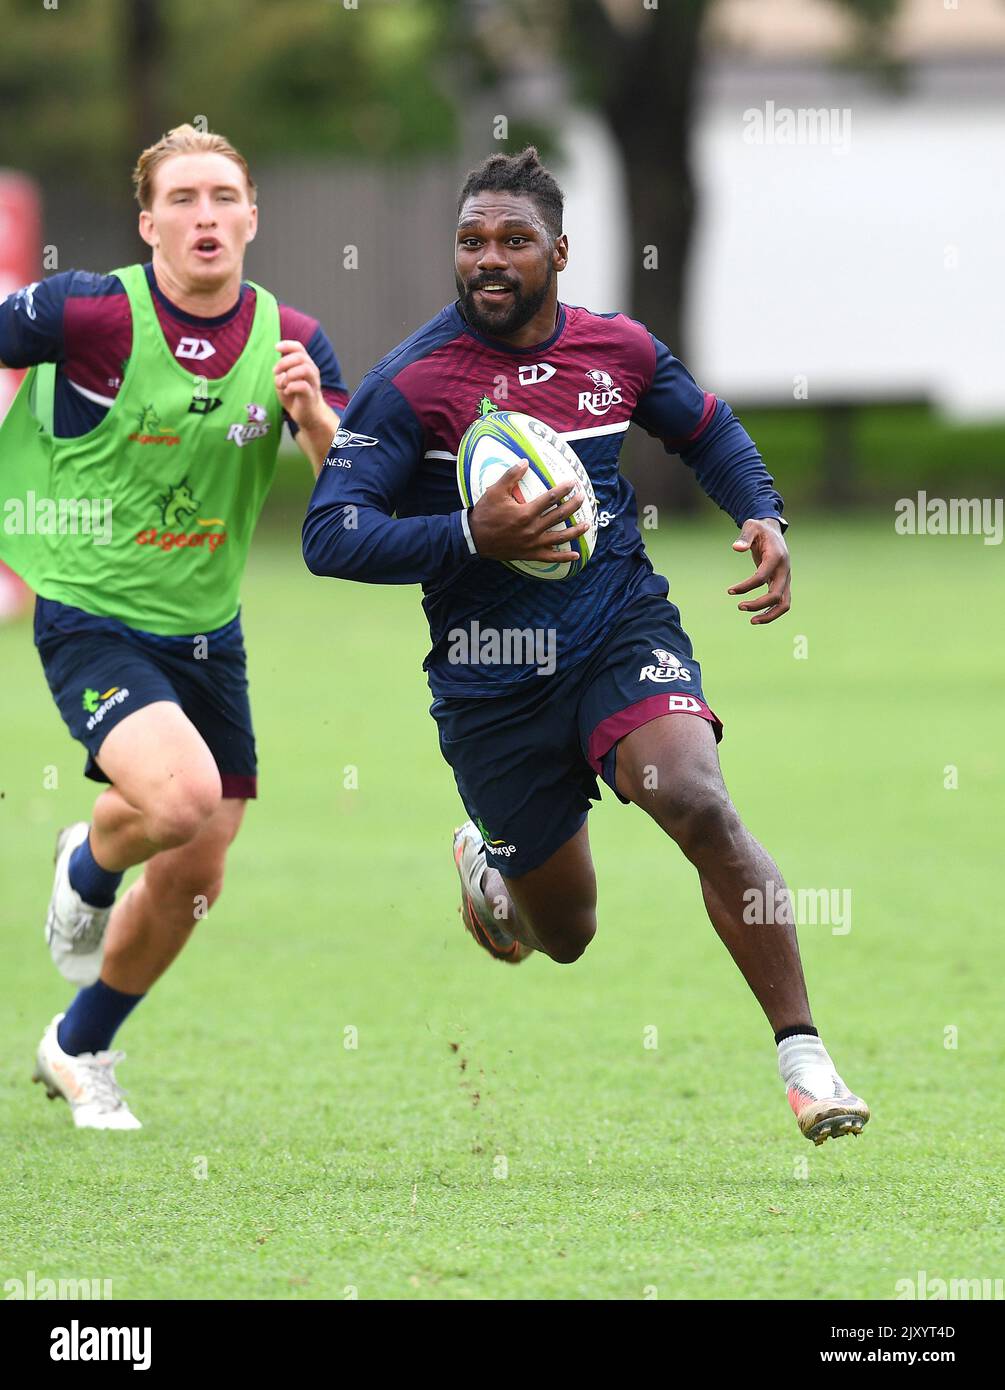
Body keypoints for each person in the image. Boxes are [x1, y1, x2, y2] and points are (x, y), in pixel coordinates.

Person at [302, 147, 869, 1146]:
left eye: (513, 240)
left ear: (559, 251)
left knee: (696, 798)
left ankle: (805, 1060)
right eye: (471, 240)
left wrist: (762, 512)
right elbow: (330, 532)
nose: (488, 258)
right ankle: (494, 872)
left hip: (618, 630)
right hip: (491, 681)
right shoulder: (412, 382)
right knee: (563, 934)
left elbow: (708, 428)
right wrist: (476, 533)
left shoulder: (619, 351)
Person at [0, 125, 348, 1129]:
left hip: (207, 631)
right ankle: (90, 865)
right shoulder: (92, 311)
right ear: (148, 221)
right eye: (183, 199)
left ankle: (79, 1042)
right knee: (184, 797)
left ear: (251, 216)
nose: (205, 216)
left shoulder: (295, 342)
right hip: (90, 613)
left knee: (196, 871)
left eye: (222, 197)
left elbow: (355, 506)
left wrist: (318, 422)